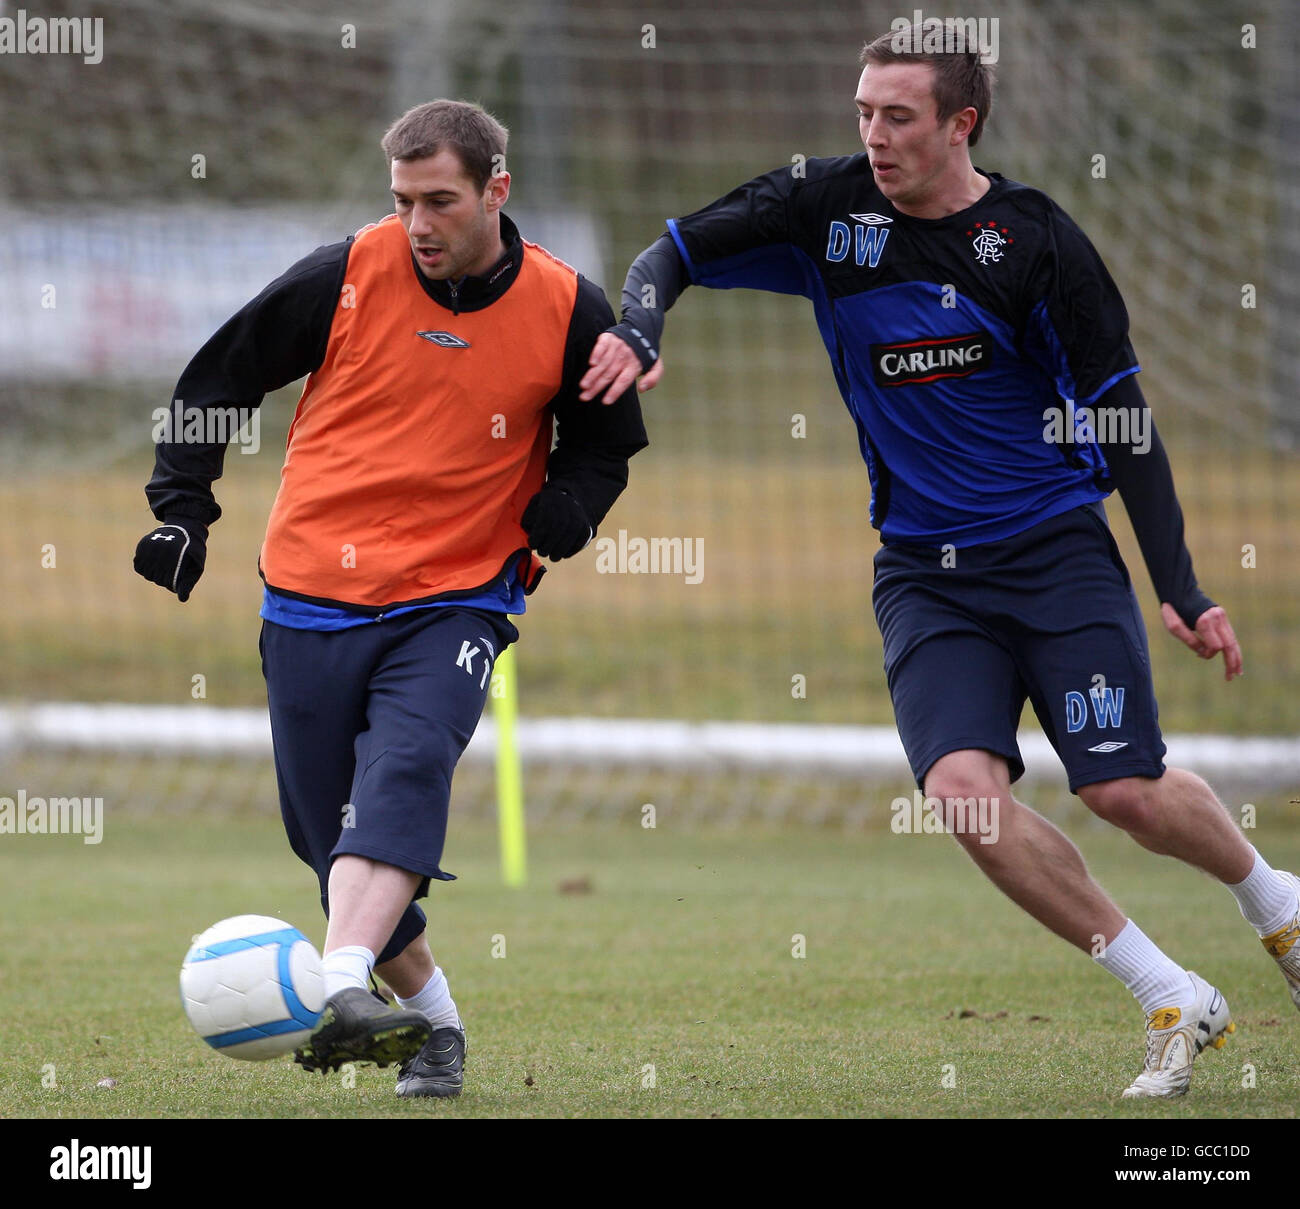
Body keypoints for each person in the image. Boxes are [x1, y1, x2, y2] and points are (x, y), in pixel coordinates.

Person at [580, 27, 1299, 1099]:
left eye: (898, 115)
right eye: (863, 112)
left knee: (1122, 793)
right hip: (923, 571)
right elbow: (667, 254)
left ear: (961, 124)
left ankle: (1277, 909)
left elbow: (1125, 425)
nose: (872, 135)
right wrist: (636, 329)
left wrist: (1180, 586)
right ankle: (1166, 993)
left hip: (1055, 551)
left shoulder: (1037, 243)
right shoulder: (823, 210)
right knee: (961, 796)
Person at [136, 100, 648, 1098]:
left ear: (496, 190)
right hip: (309, 597)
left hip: (458, 598)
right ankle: (435, 1028)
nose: (419, 221)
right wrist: (181, 510)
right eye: (404, 199)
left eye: (440, 200)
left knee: (407, 771)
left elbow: (606, 443)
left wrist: (568, 510)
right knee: (328, 840)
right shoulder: (343, 273)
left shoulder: (567, 305)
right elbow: (215, 381)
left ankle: (334, 984)